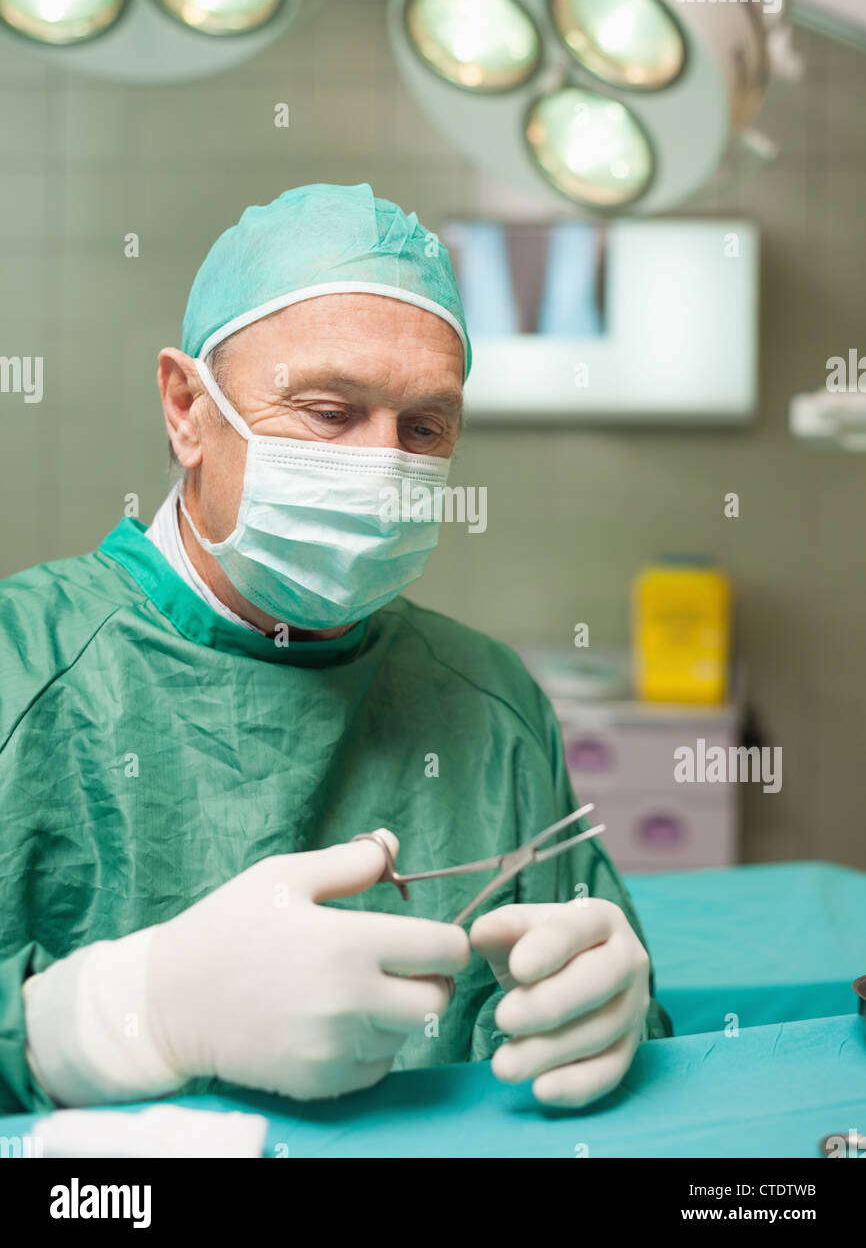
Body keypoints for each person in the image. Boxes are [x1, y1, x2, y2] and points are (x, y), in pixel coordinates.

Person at [0, 183, 671, 1116]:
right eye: (328, 412)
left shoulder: (488, 700)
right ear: (187, 408)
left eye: (425, 428)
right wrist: (116, 1019)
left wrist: (618, 1019)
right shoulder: (23, 674)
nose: (381, 466)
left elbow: (590, 1034)